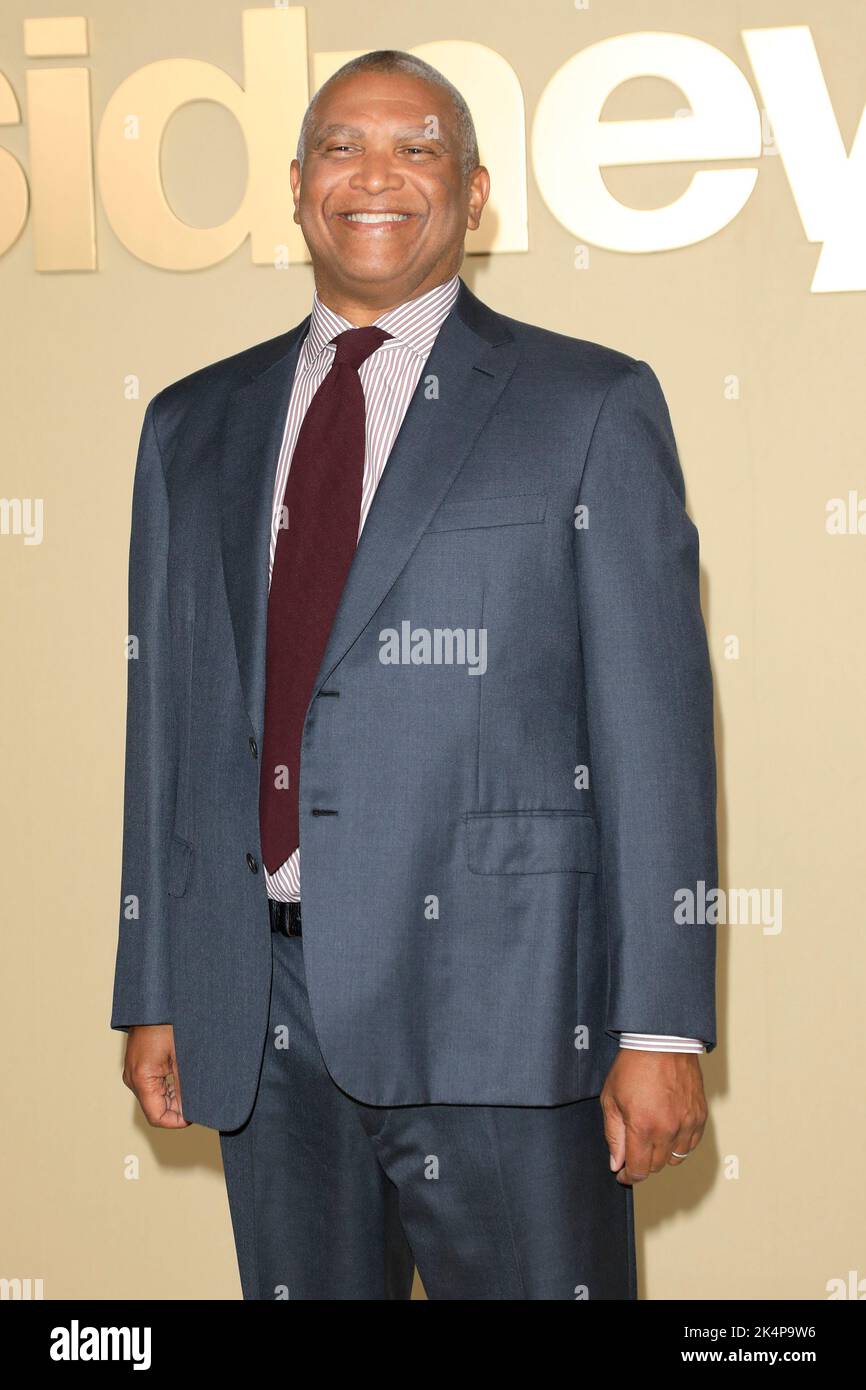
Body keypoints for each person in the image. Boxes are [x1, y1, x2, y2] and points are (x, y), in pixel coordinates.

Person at [112, 49, 717, 1301]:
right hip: (261, 1005)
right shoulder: (190, 423)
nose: (373, 176)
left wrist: (658, 1025)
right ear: (293, 188)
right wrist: (158, 982)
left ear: (475, 190)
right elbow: (167, 725)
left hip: (503, 1008)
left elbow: (655, 729)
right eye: (340, 147)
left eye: (416, 146)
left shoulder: (588, 403)